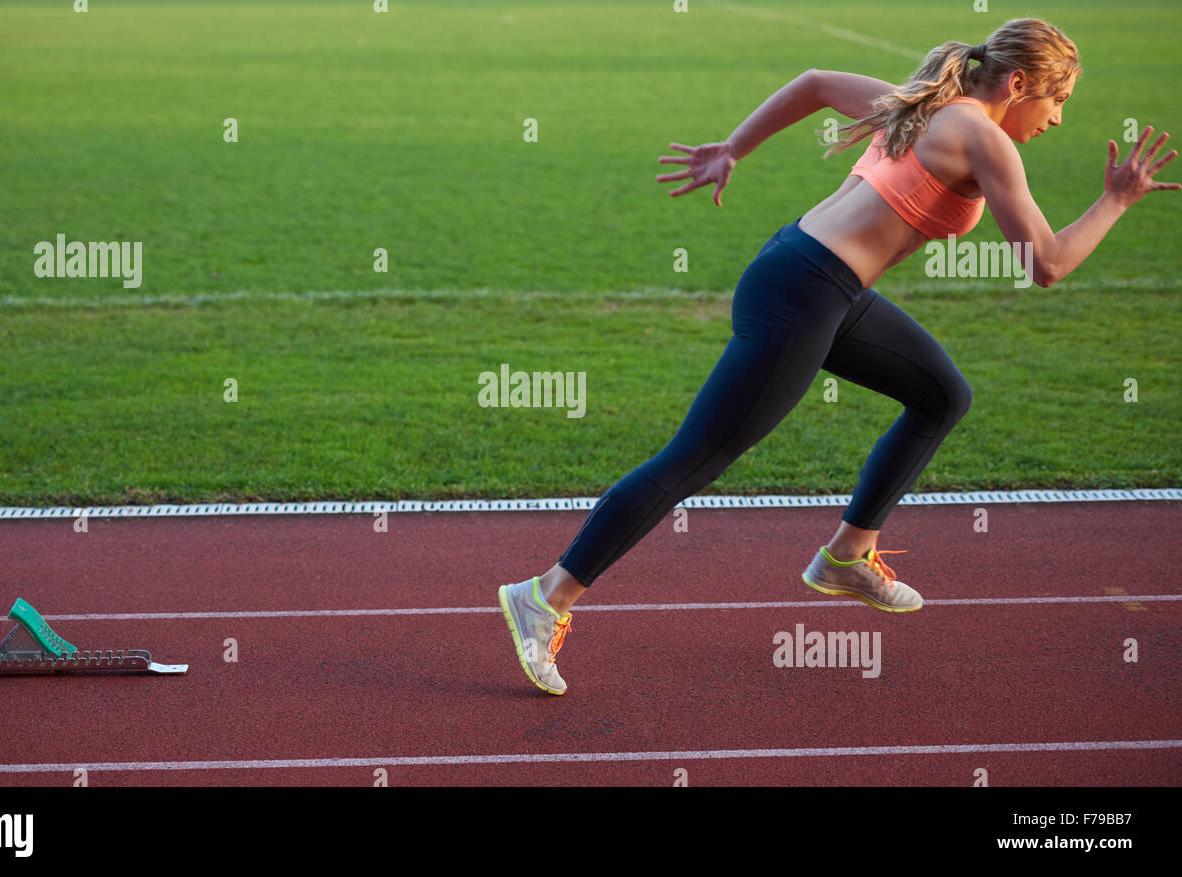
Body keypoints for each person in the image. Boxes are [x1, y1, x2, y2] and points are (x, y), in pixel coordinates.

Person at [499, 18, 1178, 695]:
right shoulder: (984, 139)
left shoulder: (925, 103)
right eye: (1057, 101)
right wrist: (1116, 199)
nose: (1058, 120)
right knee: (695, 457)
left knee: (942, 395)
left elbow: (818, 83)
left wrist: (735, 147)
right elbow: (1047, 263)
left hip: (811, 275)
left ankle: (847, 555)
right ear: (1018, 83)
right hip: (805, 294)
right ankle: (548, 593)